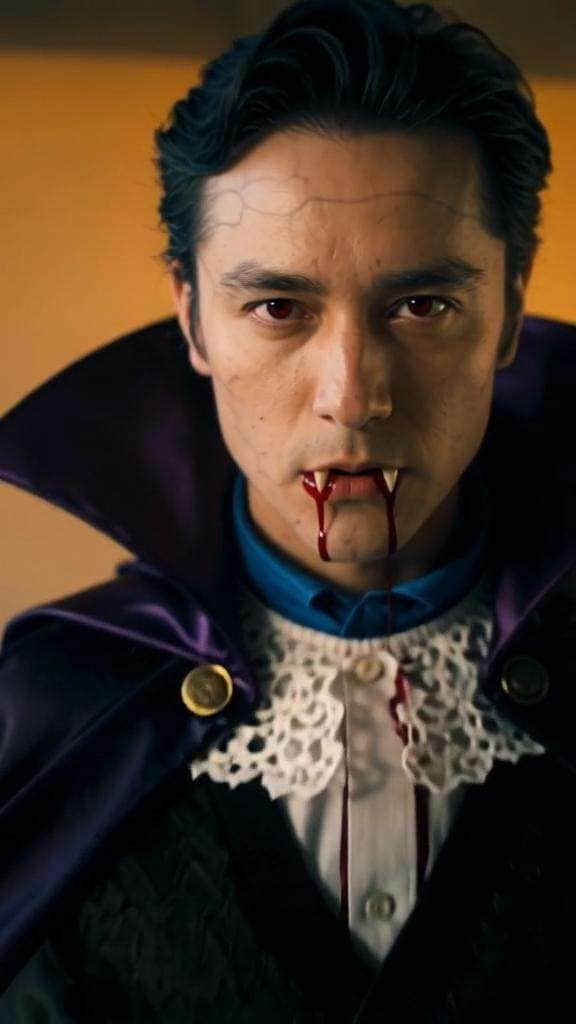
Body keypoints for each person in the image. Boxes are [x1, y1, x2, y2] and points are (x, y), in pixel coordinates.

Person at [0, 0, 574, 1019]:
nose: (352, 394)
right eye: (277, 307)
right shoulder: (51, 704)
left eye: (423, 306)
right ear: (192, 318)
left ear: (510, 311)